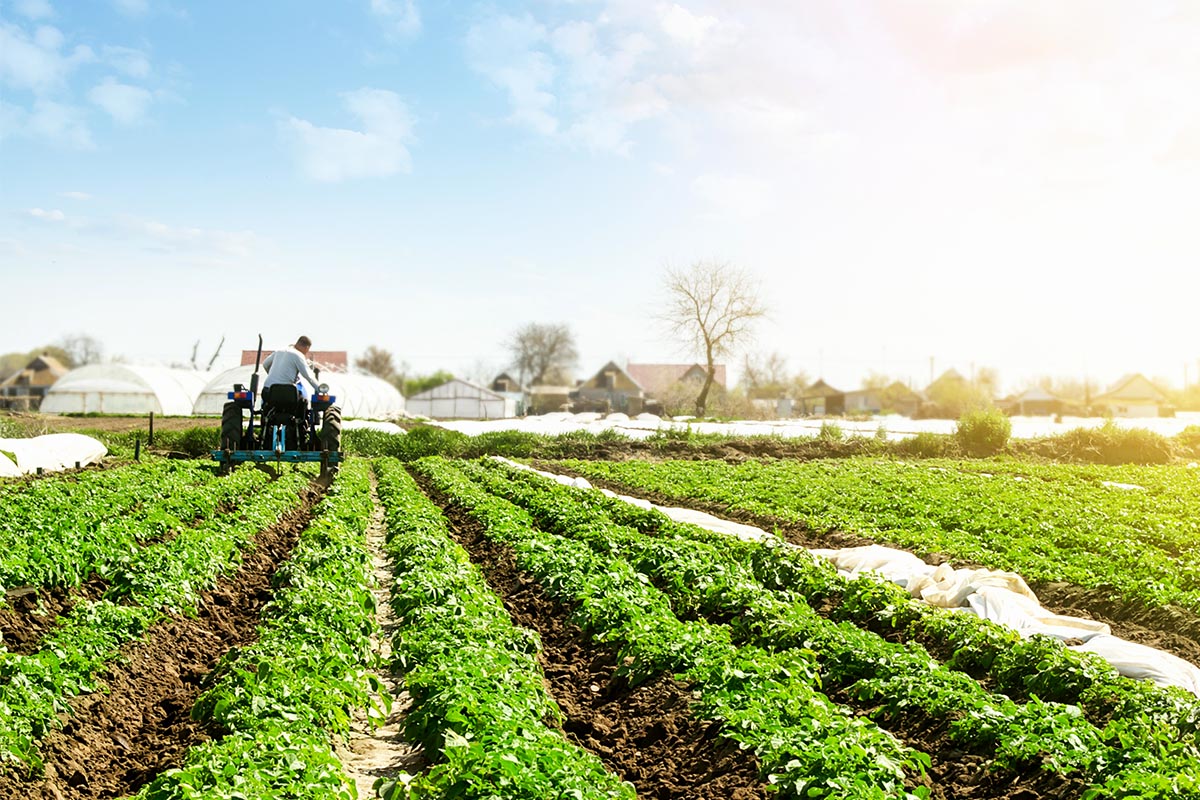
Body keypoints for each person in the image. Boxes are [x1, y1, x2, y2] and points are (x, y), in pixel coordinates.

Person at [262, 336, 320, 407]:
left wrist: (273, 375)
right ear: (306, 348)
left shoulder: (279, 351)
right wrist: (320, 389)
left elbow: (265, 364)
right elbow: (309, 377)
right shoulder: (298, 355)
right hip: (287, 394)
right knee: (304, 402)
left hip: (268, 391)